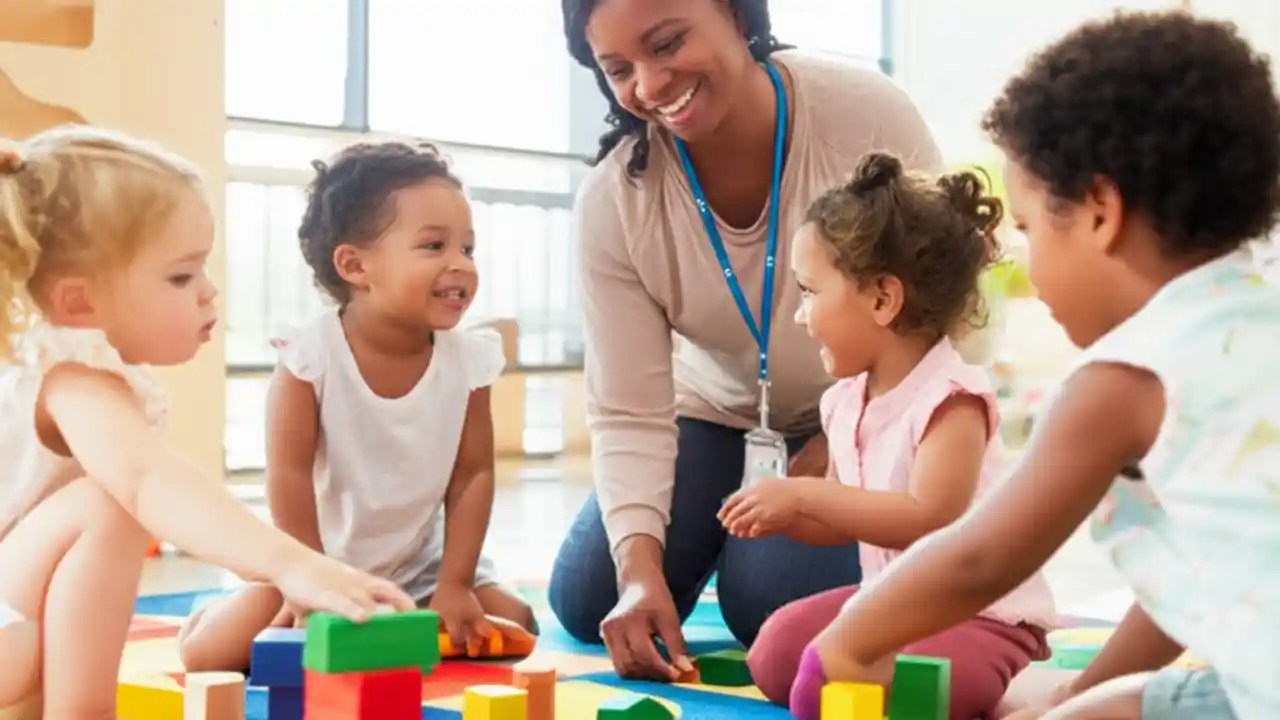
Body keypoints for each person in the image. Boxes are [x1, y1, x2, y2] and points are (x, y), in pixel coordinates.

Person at [797, 11, 1280, 720]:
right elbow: (1211, 588)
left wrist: (848, 642)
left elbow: (981, 558)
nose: (1025, 258)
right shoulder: (1255, 323)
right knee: (1105, 705)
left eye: (1027, 227)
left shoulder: (1123, 381)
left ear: (1098, 212)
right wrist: (1075, 693)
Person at [549, 0, 944, 681]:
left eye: (667, 42)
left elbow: (944, 301)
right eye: (617, 69)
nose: (648, 86)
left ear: (737, 14)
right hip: (714, 413)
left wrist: (848, 430)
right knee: (593, 599)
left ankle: (746, 555)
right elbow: (627, 410)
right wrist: (642, 573)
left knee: (769, 598)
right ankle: (701, 549)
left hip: (858, 416)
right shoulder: (616, 199)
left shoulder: (864, 115)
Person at [0, 126, 415, 720]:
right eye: (180, 276)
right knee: (113, 501)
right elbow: (146, 479)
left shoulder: (57, 369)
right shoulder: (70, 375)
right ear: (78, 304)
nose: (208, 292)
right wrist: (295, 564)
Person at [178, 142, 536, 673]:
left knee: (518, 619)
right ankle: (212, 611)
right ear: (354, 265)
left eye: (468, 248)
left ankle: (409, 612)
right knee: (211, 655)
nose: (460, 266)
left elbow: (473, 475)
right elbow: (290, 475)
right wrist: (308, 579)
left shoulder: (470, 361)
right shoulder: (310, 355)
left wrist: (456, 584)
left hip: (423, 567)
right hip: (318, 561)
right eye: (435, 246)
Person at [731, 152, 1057, 720]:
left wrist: (806, 495)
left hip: (979, 610)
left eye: (810, 292)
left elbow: (928, 518)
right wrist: (785, 514)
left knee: (897, 690)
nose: (800, 318)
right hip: (891, 602)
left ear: (882, 299)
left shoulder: (951, 399)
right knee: (776, 649)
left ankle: (1008, 684)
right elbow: (844, 514)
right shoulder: (843, 401)